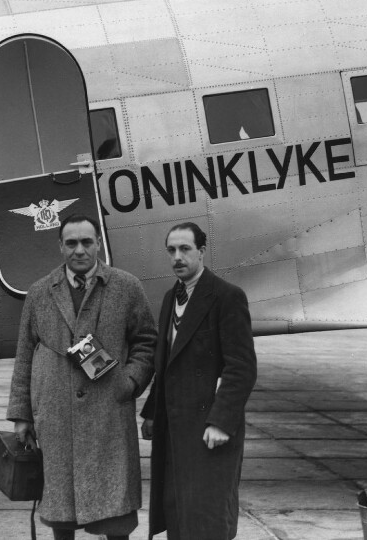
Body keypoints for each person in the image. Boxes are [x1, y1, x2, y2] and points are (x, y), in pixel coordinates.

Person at [7, 214, 157, 540]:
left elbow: (147, 342)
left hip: (109, 416)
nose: (79, 250)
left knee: (116, 516)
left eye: (87, 242)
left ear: (98, 243)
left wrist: (130, 383)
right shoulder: (40, 292)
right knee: (62, 516)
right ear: (60, 246)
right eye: (71, 243)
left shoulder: (126, 287)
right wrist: (21, 416)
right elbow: (24, 355)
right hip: (56, 417)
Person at [141, 222, 257, 540]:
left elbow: (242, 367)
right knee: (178, 513)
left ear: (202, 251)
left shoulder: (227, 297)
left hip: (209, 428)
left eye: (185, 249)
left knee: (208, 516)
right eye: (171, 251)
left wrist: (221, 423)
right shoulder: (169, 298)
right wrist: (152, 411)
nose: (177, 257)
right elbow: (166, 363)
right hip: (175, 428)